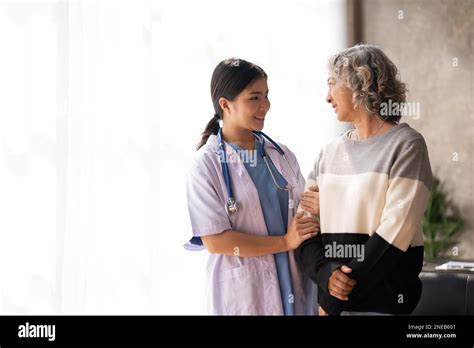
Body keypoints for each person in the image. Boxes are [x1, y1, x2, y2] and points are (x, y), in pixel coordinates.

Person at [295, 44, 432, 316]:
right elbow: (304, 227)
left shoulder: (406, 145)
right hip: (332, 306)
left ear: (361, 83)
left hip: (384, 306)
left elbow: (395, 231)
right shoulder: (328, 153)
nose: (327, 97)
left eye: (332, 84)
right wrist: (325, 275)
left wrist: (333, 299)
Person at [185, 58, 317, 315]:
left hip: (291, 278)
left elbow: (305, 211)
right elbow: (216, 241)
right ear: (225, 104)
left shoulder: (281, 154)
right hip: (245, 292)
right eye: (254, 98)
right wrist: (285, 241)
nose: (265, 106)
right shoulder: (206, 165)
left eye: (266, 96)